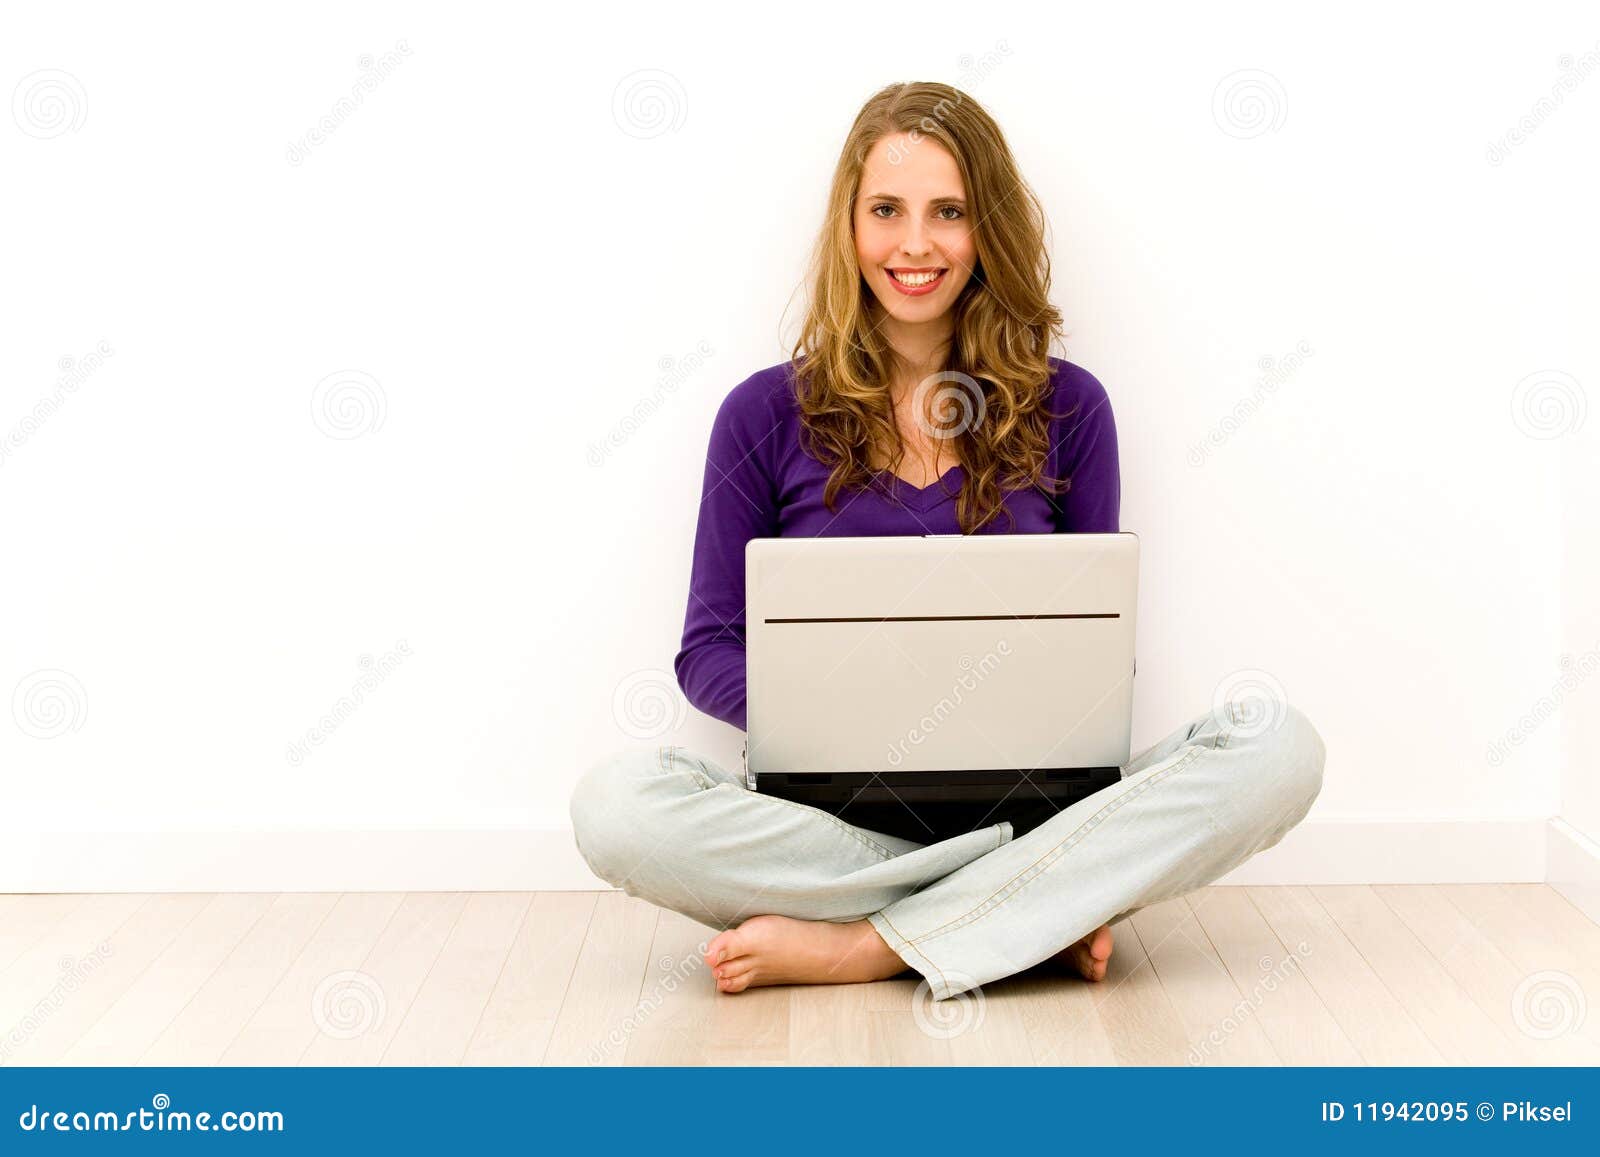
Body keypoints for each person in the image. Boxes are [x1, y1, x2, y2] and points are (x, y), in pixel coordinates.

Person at [570, 81, 1325, 1002]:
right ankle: (1023, 912)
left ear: (987, 229)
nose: (915, 244)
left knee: (1277, 745)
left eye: (949, 212)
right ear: (849, 227)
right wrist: (835, 704)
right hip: (833, 820)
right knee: (616, 810)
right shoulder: (762, 413)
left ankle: (870, 944)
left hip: (1030, 806)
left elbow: (1095, 653)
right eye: (886, 210)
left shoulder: (1071, 406)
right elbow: (707, 651)